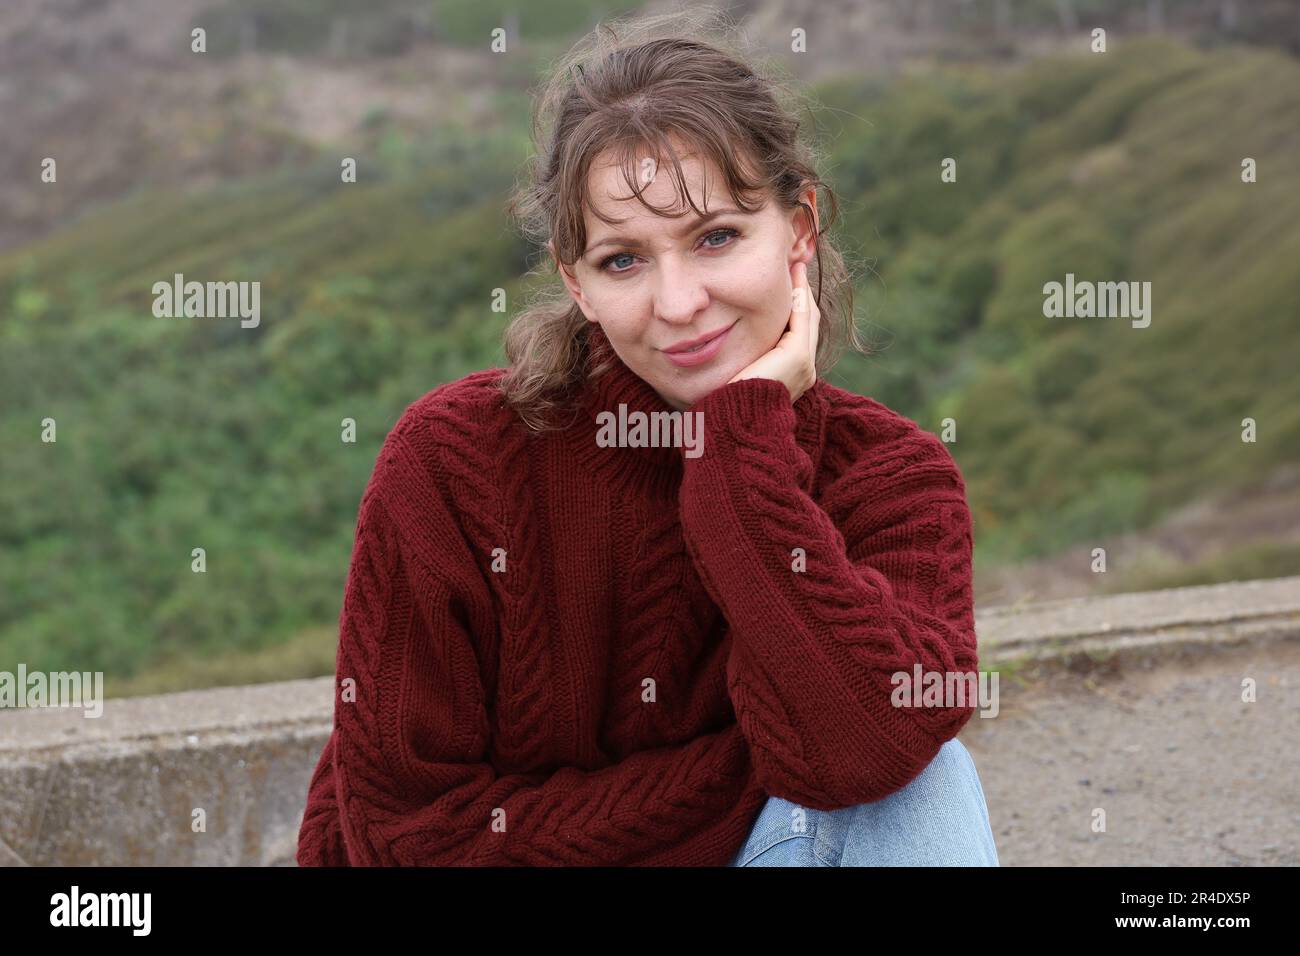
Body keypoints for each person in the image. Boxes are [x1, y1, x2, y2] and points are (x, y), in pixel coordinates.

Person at [296, 10, 998, 867]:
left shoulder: (891, 476)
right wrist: (738, 778)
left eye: (716, 237)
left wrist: (738, 461)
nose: (678, 303)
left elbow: (873, 748)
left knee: (920, 781)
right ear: (576, 283)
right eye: (623, 260)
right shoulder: (454, 460)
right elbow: (408, 837)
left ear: (801, 231)